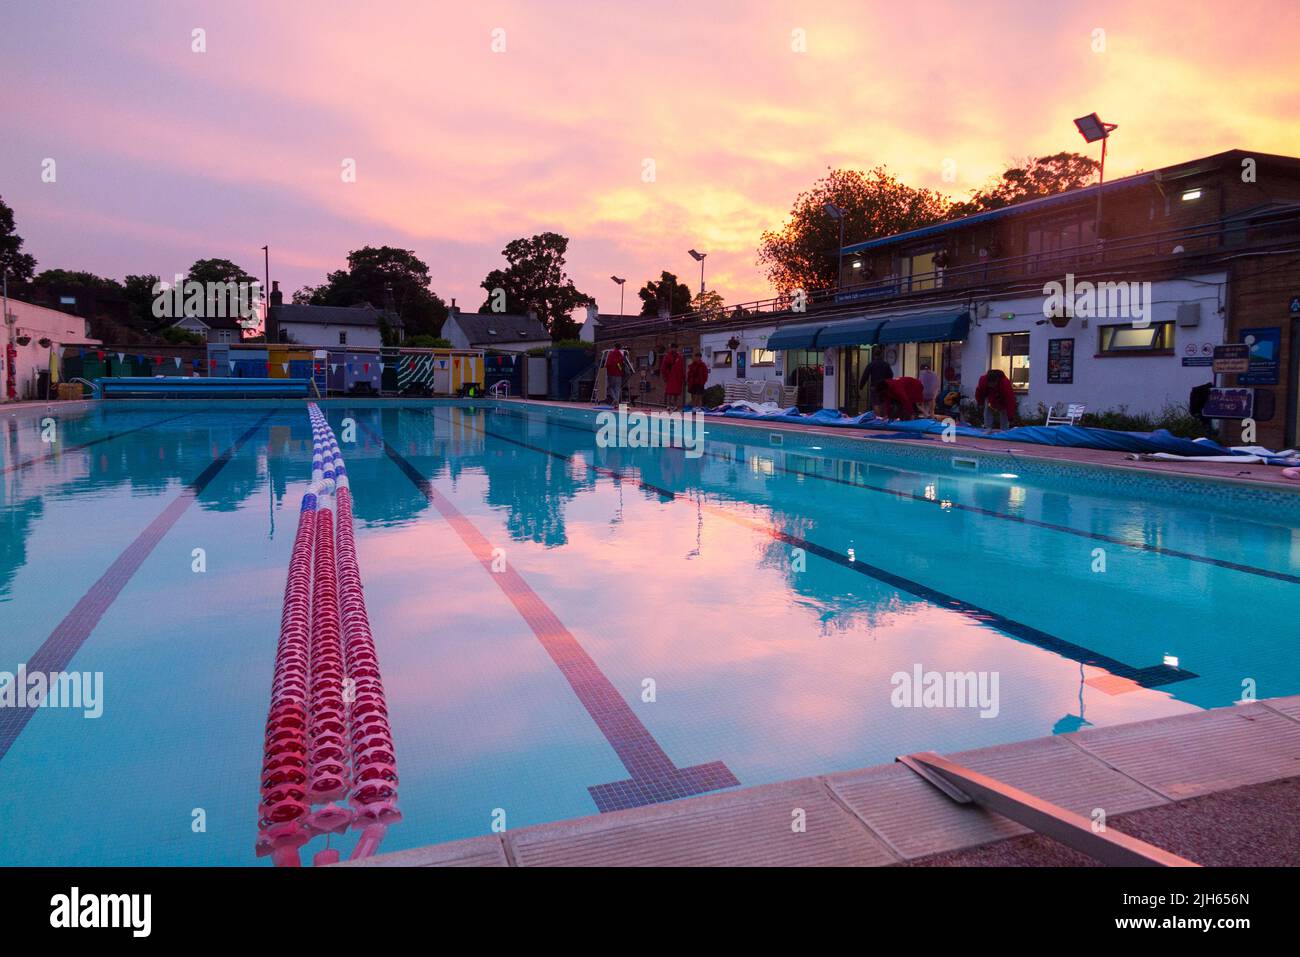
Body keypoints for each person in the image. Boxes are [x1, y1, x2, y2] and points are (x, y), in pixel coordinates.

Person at [858, 349, 894, 418]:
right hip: (884, 387)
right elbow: (891, 375)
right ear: (882, 355)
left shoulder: (871, 364)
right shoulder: (886, 364)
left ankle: (878, 418)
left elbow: (865, 375)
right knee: (883, 402)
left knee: (875, 403)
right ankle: (884, 417)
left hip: (874, 386)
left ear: (874, 356)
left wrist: (861, 386)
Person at [661, 342, 685, 411]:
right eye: (672, 347)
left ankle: (675, 405)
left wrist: (683, 377)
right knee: (669, 391)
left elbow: (682, 367)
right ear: (670, 348)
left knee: (676, 392)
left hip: (677, 377)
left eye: (675, 348)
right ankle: (668, 405)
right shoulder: (667, 356)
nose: (674, 349)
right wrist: (665, 376)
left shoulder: (679, 357)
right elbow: (663, 367)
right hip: (670, 376)